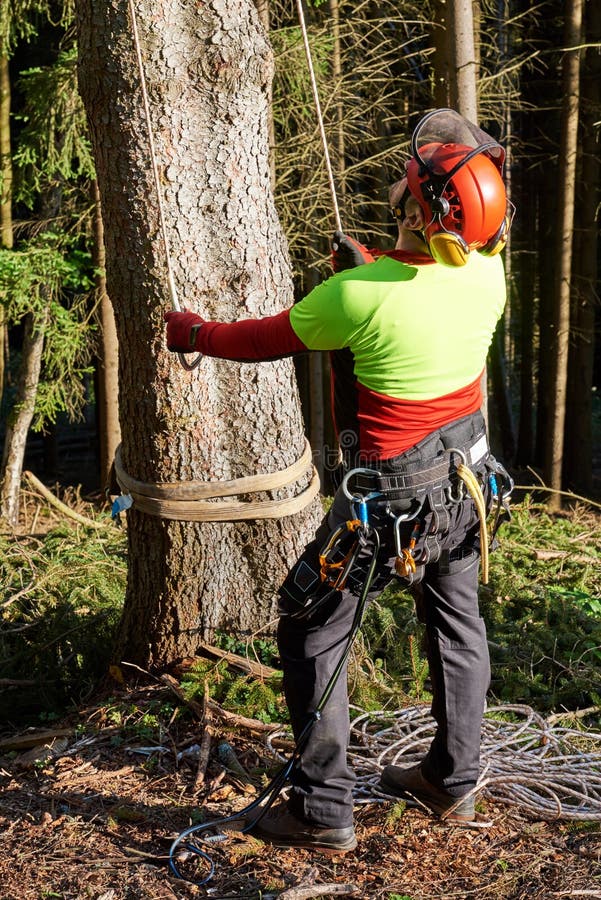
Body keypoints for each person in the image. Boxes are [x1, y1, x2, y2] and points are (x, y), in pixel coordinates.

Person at [164, 109, 514, 853]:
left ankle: (322, 808)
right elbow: (414, 285)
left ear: (419, 211)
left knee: (309, 624)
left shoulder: (357, 298)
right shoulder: (487, 272)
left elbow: (260, 338)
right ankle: (452, 783)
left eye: (408, 186)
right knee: (456, 621)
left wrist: (193, 333)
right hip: (464, 483)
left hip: (389, 499)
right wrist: (366, 268)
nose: (398, 185)